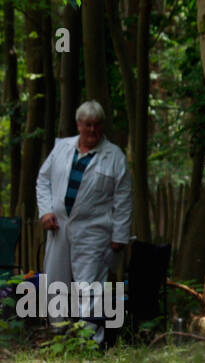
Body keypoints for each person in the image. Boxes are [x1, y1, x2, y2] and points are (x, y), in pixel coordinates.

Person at [35, 100, 132, 341]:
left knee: (89, 287)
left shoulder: (114, 157)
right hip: (59, 227)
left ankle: (89, 341)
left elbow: (123, 199)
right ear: (78, 124)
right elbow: (43, 180)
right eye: (87, 124)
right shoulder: (62, 148)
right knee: (56, 280)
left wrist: (119, 236)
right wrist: (46, 211)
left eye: (97, 125)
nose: (92, 130)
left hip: (94, 230)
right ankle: (58, 333)